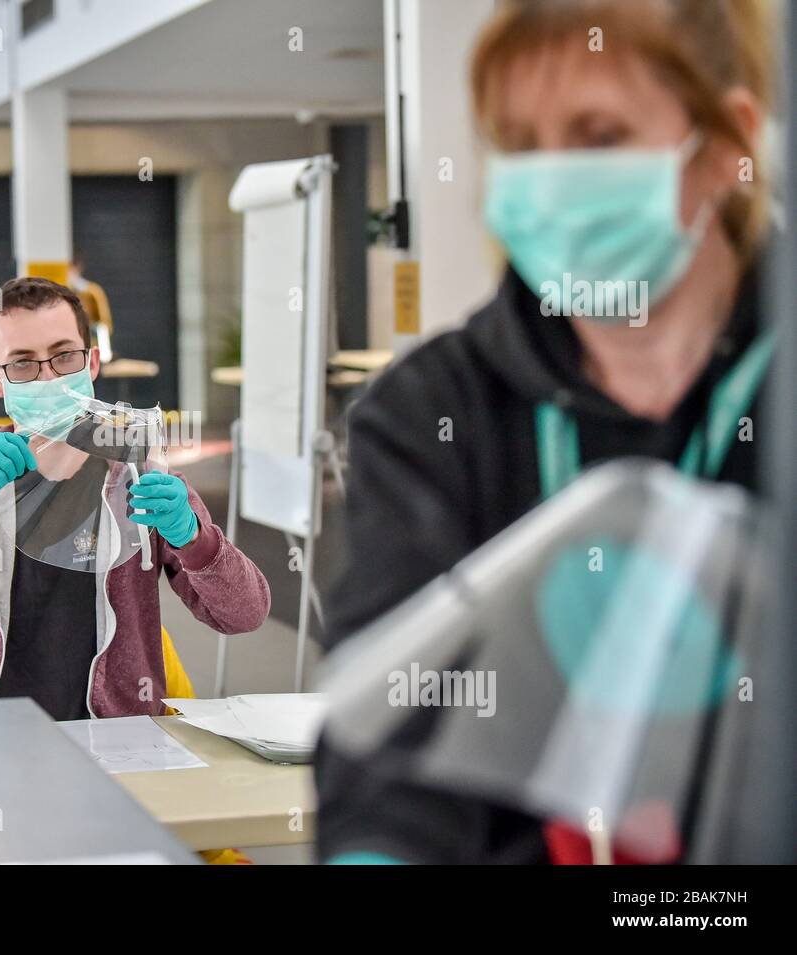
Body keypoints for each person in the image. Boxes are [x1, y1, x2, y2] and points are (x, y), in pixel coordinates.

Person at [317, 0, 777, 864]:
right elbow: (393, 745)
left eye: (599, 136)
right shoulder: (429, 414)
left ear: (724, 150)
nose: (553, 178)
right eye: (522, 145)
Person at [0, 277, 270, 720]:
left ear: (92, 363)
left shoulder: (146, 483)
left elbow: (244, 614)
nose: (48, 376)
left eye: (64, 356)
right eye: (23, 364)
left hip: (120, 742)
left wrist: (193, 537)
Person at [69, 251, 114, 359]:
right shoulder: (57, 293)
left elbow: (105, 324)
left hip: (90, 348)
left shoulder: (92, 292)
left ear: (78, 268)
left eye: (70, 267)